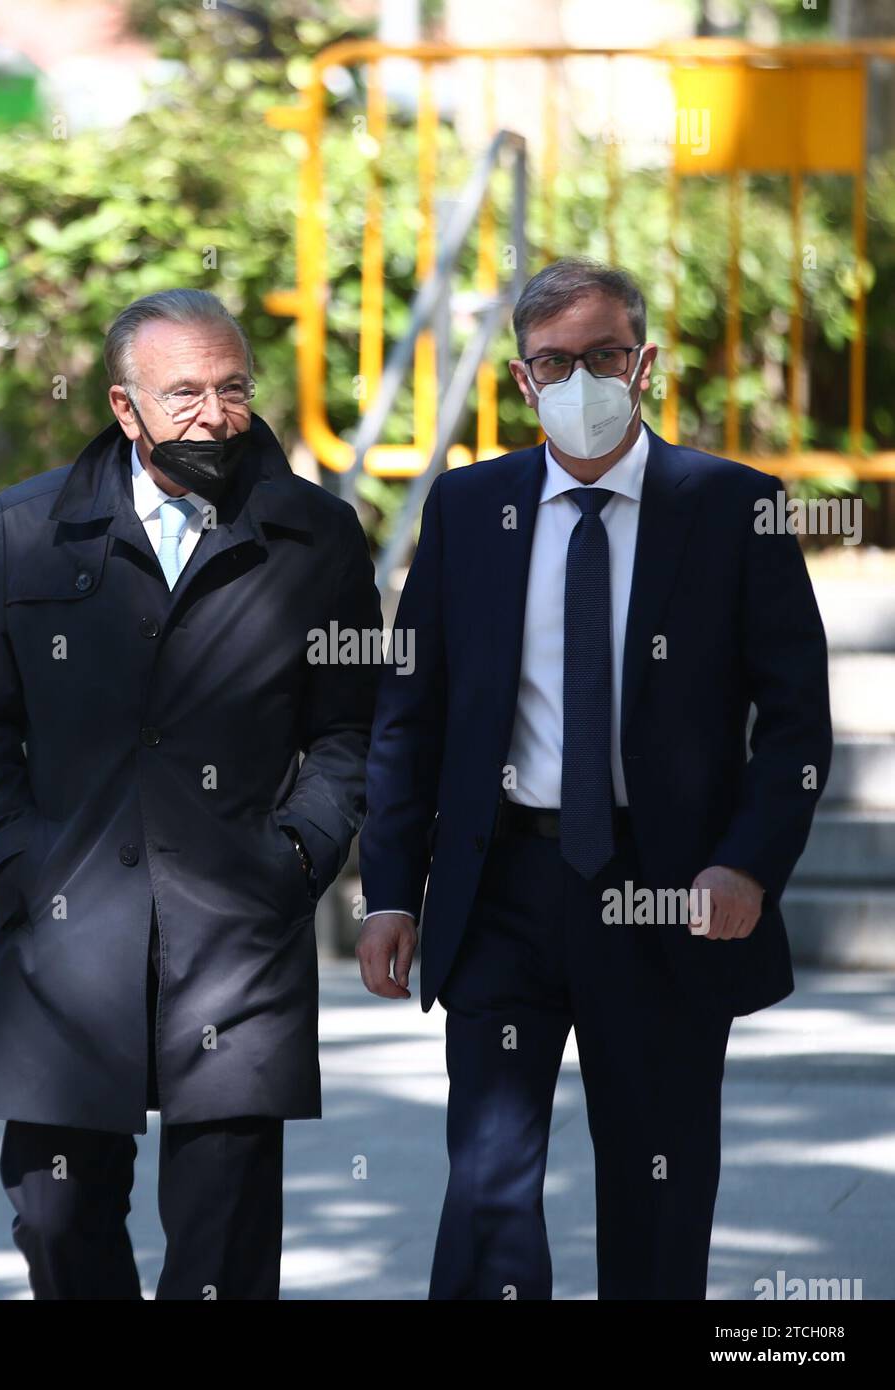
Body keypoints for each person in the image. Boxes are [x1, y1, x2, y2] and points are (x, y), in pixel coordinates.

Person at [356, 257, 833, 1300]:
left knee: (659, 1183)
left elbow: (795, 723)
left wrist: (747, 865)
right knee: (487, 1182)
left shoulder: (731, 508)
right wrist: (390, 886)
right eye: (554, 362)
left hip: (663, 891)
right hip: (501, 891)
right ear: (522, 380)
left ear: (645, 363)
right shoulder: (469, 508)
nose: (581, 380)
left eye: (604, 355)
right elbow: (411, 714)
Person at [0, 288, 382, 1299]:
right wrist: (19, 853)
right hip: (63, 926)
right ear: (124, 408)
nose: (214, 415)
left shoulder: (316, 536)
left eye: (231, 389)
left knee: (223, 1239)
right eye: (182, 394)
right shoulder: (28, 526)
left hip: (235, 930)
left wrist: (298, 855)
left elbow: (352, 727)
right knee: (55, 1212)